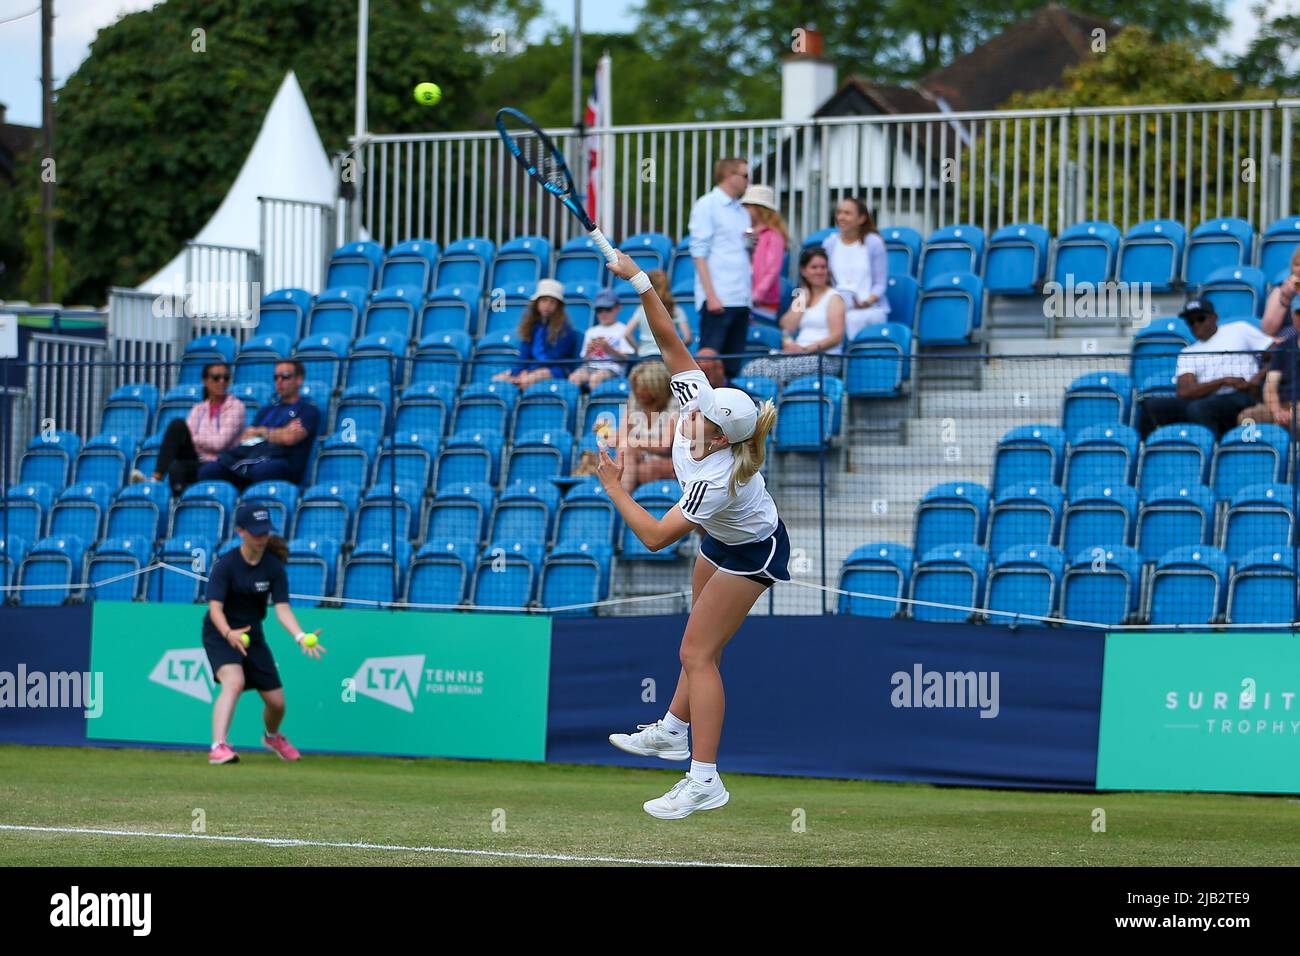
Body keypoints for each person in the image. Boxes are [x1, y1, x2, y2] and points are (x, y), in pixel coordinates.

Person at [599, 249, 785, 820]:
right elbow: (667, 338)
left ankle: (704, 779)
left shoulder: (716, 478)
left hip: (751, 551)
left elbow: (655, 536)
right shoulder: (702, 405)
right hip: (720, 540)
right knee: (699, 644)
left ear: (720, 435)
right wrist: (637, 280)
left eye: (700, 415)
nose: (689, 411)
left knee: (697, 654)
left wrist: (615, 488)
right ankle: (672, 731)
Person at [203, 504, 326, 765]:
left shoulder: (273, 568)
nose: (261, 538)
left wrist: (300, 636)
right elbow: (214, 608)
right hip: (220, 631)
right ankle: (218, 746)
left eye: (265, 532)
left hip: (252, 634)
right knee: (233, 682)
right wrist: (228, 633)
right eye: (256, 533)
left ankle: (272, 737)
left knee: (277, 703)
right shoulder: (226, 566)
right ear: (241, 532)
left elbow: (282, 610)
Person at [1137, 298, 1274, 439]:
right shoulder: (1188, 352)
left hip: (1242, 396)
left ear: (1214, 317)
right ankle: (1146, 451)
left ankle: (1211, 452)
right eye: (1191, 321)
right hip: (1207, 399)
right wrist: (1223, 381)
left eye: (1201, 318)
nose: (1196, 324)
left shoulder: (1239, 330)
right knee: (1150, 405)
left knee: (1199, 408)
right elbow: (1184, 392)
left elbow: (1278, 354)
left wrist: (1258, 377)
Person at [197, 359, 320, 490]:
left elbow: (290, 438)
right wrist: (279, 433)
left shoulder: (308, 410)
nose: (279, 381)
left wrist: (261, 432)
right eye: (276, 377)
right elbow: (246, 437)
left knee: (262, 470)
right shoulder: (266, 410)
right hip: (250, 458)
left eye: (285, 376)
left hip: (282, 462)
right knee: (209, 470)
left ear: (299, 379)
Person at [131, 362, 245, 496]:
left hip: (222, 461)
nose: (221, 381)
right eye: (216, 377)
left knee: (181, 455)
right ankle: (157, 480)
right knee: (177, 428)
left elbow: (219, 443)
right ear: (205, 381)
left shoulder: (236, 407)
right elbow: (192, 433)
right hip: (198, 457)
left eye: (226, 378)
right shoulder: (199, 408)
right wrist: (200, 440)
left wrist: (196, 438)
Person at [738, 247, 845, 385]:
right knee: (752, 366)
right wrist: (803, 299)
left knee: (758, 370)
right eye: (814, 267)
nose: (819, 271)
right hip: (799, 354)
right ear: (804, 271)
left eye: (823, 267)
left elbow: (836, 336)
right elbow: (788, 326)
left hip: (824, 358)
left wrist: (805, 349)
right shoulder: (801, 295)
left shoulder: (834, 297)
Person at [688, 156, 752, 379]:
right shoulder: (707, 205)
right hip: (719, 299)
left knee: (731, 368)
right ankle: (705, 414)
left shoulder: (742, 212)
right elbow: (698, 253)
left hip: (739, 298)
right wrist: (711, 295)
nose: (748, 180)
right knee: (708, 366)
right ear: (728, 175)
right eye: (744, 175)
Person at [822, 197, 890, 340]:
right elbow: (826, 281)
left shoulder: (874, 243)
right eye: (839, 212)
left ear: (861, 218)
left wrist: (866, 302)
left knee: (852, 319)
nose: (841, 217)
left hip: (870, 308)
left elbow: (880, 284)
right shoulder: (829, 243)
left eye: (847, 213)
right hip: (838, 307)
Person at [494, 278, 579, 388]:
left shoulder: (565, 330)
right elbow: (524, 356)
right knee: (498, 379)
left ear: (558, 306)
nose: (547, 305)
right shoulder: (532, 325)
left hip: (556, 370)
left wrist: (528, 372)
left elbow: (553, 360)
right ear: (537, 303)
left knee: (525, 381)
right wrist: (517, 372)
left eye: (552, 302)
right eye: (544, 300)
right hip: (532, 368)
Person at [614, 359, 679, 493]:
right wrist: (606, 433)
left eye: (643, 387)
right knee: (625, 448)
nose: (638, 391)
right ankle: (622, 500)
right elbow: (621, 436)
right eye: (636, 386)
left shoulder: (675, 404)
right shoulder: (634, 400)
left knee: (641, 467)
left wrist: (635, 442)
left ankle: (621, 499)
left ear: (657, 387)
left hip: (670, 459)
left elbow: (664, 446)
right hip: (638, 458)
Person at [1240, 299, 1300, 436]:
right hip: (1281, 404)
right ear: (1293, 316)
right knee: (1247, 417)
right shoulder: (1284, 347)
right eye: (1299, 313)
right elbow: (1270, 386)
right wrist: (1277, 411)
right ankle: (1255, 455)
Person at [741, 184, 791, 323]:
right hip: (743, 296)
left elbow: (772, 270)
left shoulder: (774, 236)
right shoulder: (743, 232)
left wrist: (757, 296)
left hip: (763, 301)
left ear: (759, 209)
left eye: (748, 206)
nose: (744, 210)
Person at [570, 288, 635, 389]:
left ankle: (593, 404)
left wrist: (609, 349)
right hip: (590, 367)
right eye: (599, 310)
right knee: (574, 378)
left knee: (595, 379)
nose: (603, 313)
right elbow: (585, 360)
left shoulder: (623, 330)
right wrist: (588, 352)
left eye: (608, 309)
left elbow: (626, 359)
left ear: (617, 308)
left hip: (613, 369)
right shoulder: (591, 331)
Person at [625, 270, 692, 357]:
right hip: (669, 359)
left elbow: (627, 334)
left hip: (645, 358)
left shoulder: (641, 309)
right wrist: (675, 352)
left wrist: (639, 350)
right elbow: (688, 338)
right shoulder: (676, 310)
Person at [1260, 246, 1300, 335]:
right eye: (1297, 264)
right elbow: (1267, 331)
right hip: (1291, 339)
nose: (1299, 269)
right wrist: (1286, 298)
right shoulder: (1283, 287)